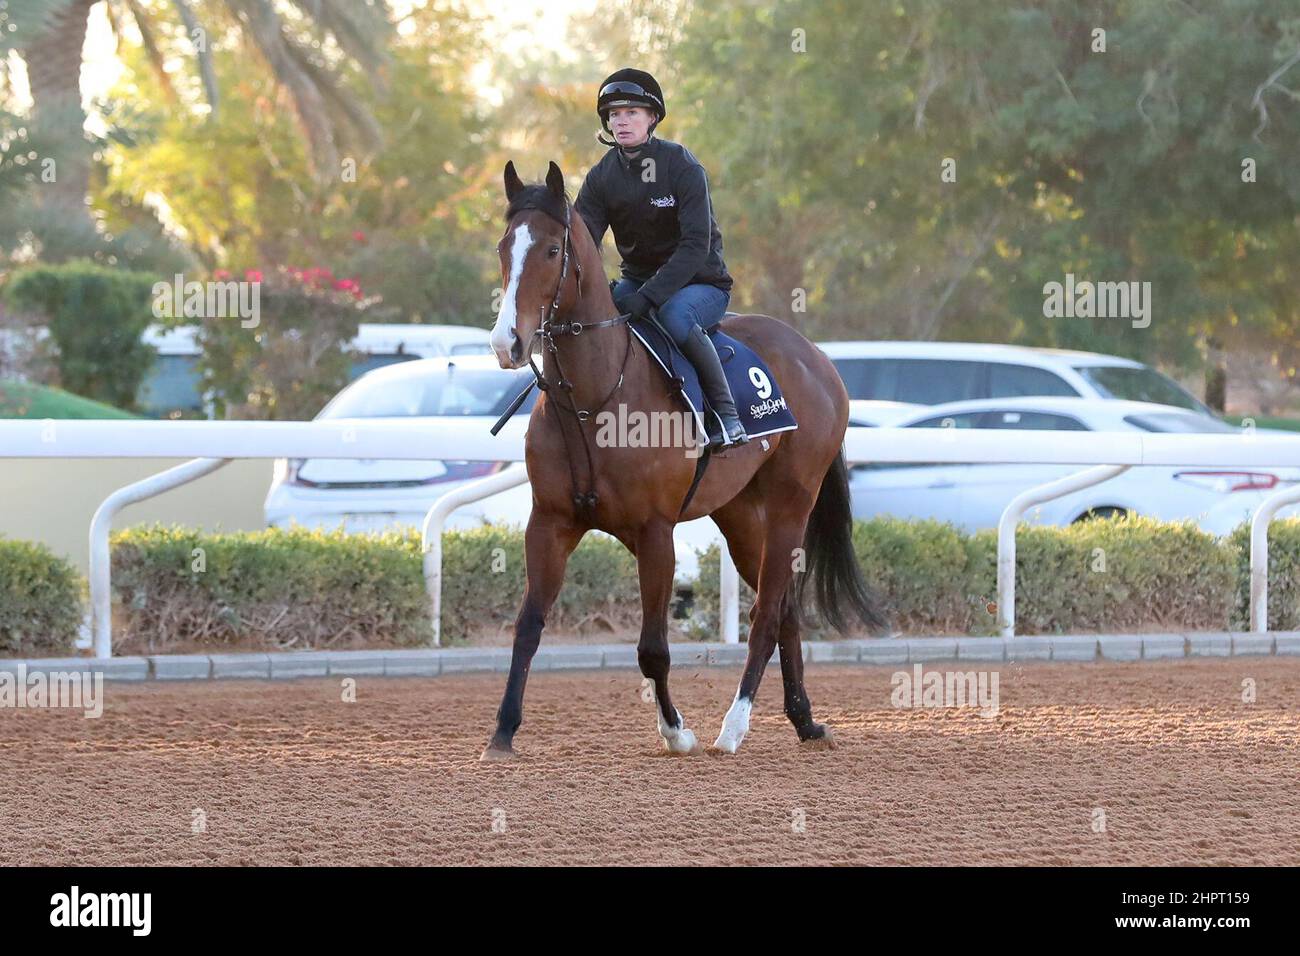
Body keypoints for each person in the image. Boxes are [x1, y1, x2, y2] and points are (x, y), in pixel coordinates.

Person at [574, 68, 748, 451]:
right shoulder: (601, 177)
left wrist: (650, 296)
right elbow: (582, 241)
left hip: (700, 284)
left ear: (652, 117)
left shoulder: (681, 165)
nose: (621, 121)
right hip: (638, 281)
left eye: (632, 112)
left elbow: (695, 245)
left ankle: (727, 415)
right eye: (614, 114)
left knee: (674, 316)